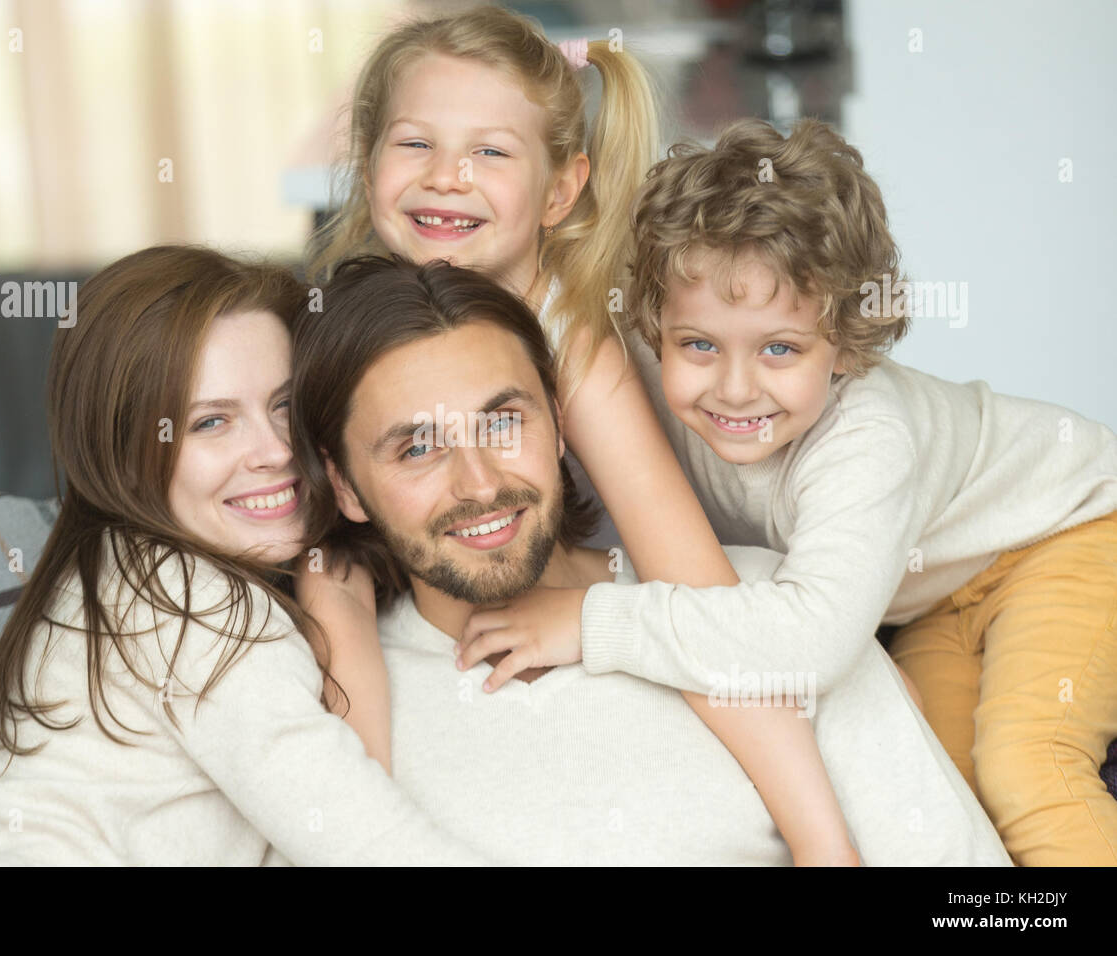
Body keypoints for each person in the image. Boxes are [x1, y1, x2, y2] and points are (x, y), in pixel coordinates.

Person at [470, 118, 1117, 866]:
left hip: (1070, 537)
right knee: (946, 786)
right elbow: (552, 301)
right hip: (938, 595)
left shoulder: (870, 438)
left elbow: (810, 642)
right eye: (699, 345)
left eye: (780, 348)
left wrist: (596, 623)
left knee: (1026, 764)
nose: (735, 388)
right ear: (653, 329)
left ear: (845, 340)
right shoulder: (644, 369)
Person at [302, 2, 859, 865]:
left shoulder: (574, 342)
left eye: (490, 152)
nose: (447, 176)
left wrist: (825, 848)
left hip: (857, 550)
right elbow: (329, 564)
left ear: (561, 191)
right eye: (415, 144)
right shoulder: (344, 314)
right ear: (366, 159)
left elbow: (708, 608)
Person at [288, 252, 1010, 866]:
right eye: (418, 447)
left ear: (562, 426)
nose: (479, 484)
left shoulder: (762, 620)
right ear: (346, 485)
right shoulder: (335, 721)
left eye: (505, 421)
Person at [0, 244, 489, 866]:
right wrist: (344, 625)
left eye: (284, 406)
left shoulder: (114, 572)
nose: (273, 451)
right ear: (125, 456)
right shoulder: (188, 599)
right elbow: (364, 844)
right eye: (211, 423)